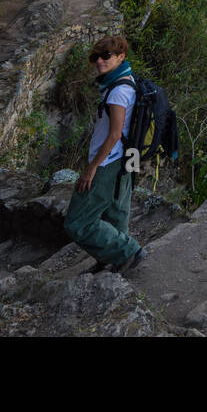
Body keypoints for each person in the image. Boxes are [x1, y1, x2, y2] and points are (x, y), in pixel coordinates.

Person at [63, 35, 147, 274]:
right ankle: (114, 259)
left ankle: (129, 251)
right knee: (115, 212)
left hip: (109, 161)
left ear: (121, 57)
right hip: (125, 159)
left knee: (77, 222)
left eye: (106, 56)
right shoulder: (126, 80)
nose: (100, 61)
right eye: (96, 57)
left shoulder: (118, 91)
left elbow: (114, 134)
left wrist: (91, 168)